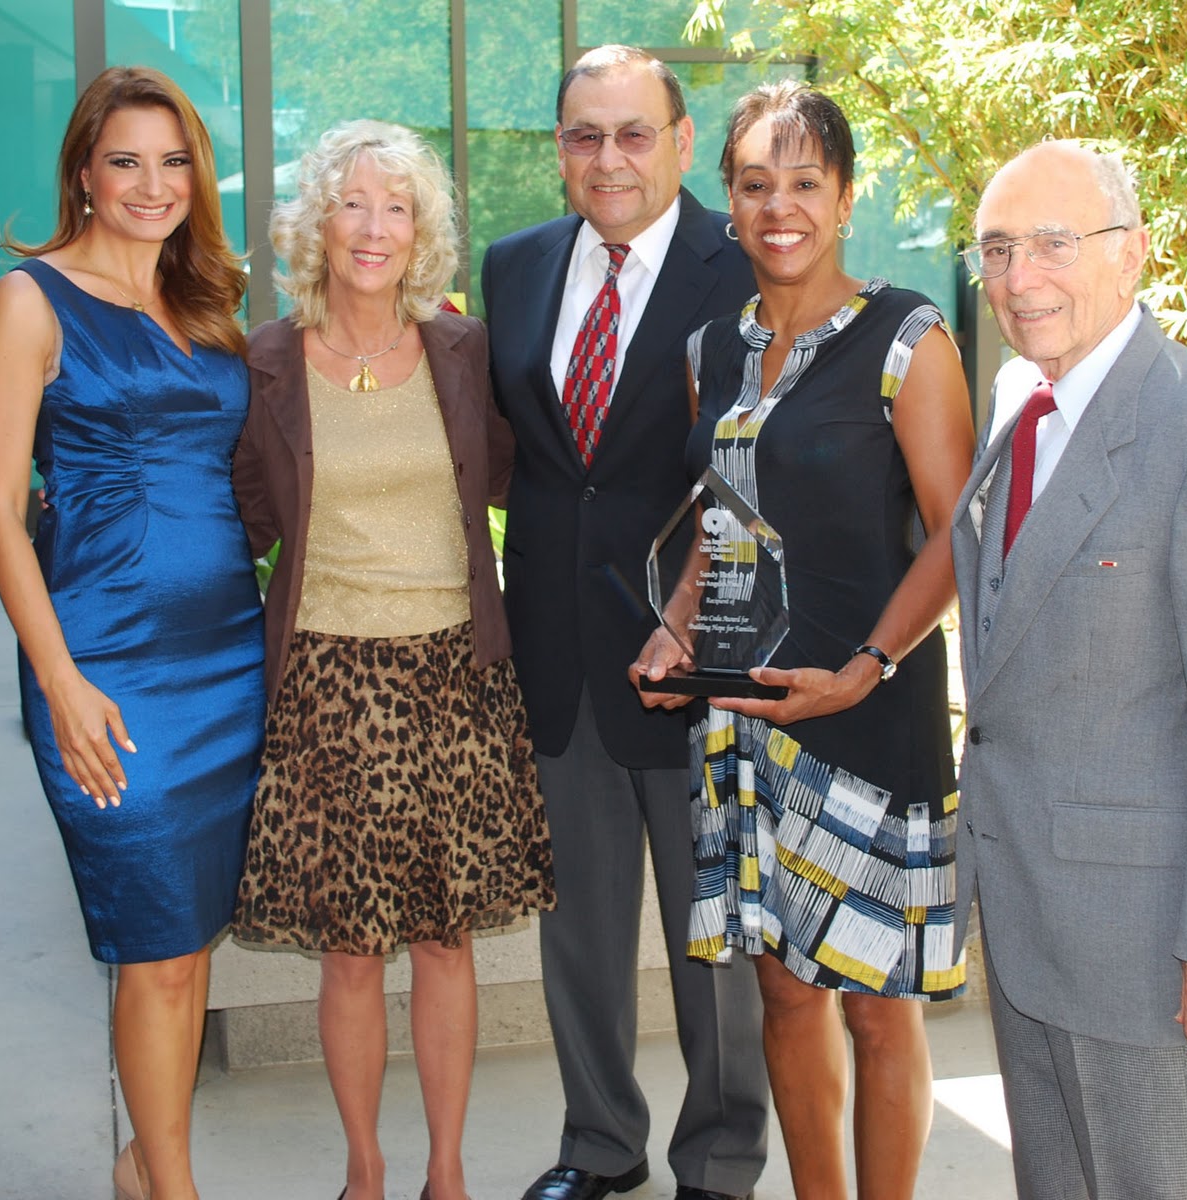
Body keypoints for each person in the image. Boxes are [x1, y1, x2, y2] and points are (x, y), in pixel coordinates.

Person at [949, 140, 1187, 1199]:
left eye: (1052, 244)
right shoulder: (1023, 407)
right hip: (1026, 908)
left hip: (1145, 938)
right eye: (997, 250)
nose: (1020, 277)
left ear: (1133, 252)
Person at [636, 82, 976, 1200]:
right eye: (753, 184)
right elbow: (718, 525)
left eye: (803, 183)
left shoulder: (907, 335)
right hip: (749, 724)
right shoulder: (710, 347)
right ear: (727, 200)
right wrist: (674, 631)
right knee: (784, 992)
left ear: (844, 198)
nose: (777, 207)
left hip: (868, 713)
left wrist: (867, 667)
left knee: (877, 1004)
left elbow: (955, 533)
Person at [228, 120, 554, 1200]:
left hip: (456, 680)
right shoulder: (266, 362)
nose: (374, 227)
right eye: (353, 203)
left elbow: (527, 476)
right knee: (352, 949)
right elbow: (237, 519)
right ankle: (364, 1172)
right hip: (327, 686)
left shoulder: (461, 350)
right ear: (317, 224)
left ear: (421, 232)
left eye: (397, 207)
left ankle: (446, 1173)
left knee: (447, 942)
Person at [481, 45, 770, 1200]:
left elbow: (764, 463)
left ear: (682, 142)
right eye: (584, 136)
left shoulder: (745, 264)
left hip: (697, 655)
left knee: (715, 941)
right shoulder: (514, 267)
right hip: (559, 652)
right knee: (580, 936)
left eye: (633, 133)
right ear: (559, 150)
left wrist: (701, 615)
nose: (609, 159)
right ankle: (599, 1144)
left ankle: (720, 1158)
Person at [0, 67, 263, 1200]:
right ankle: (173, 1188)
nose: (152, 184)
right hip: (106, 667)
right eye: (126, 161)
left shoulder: (206, 303)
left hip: (227, 658)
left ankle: (146, 1161)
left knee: (188, 940)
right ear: (84, 173)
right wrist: (59, 680)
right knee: (155, 948)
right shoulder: (30, 301)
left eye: (174, 161)